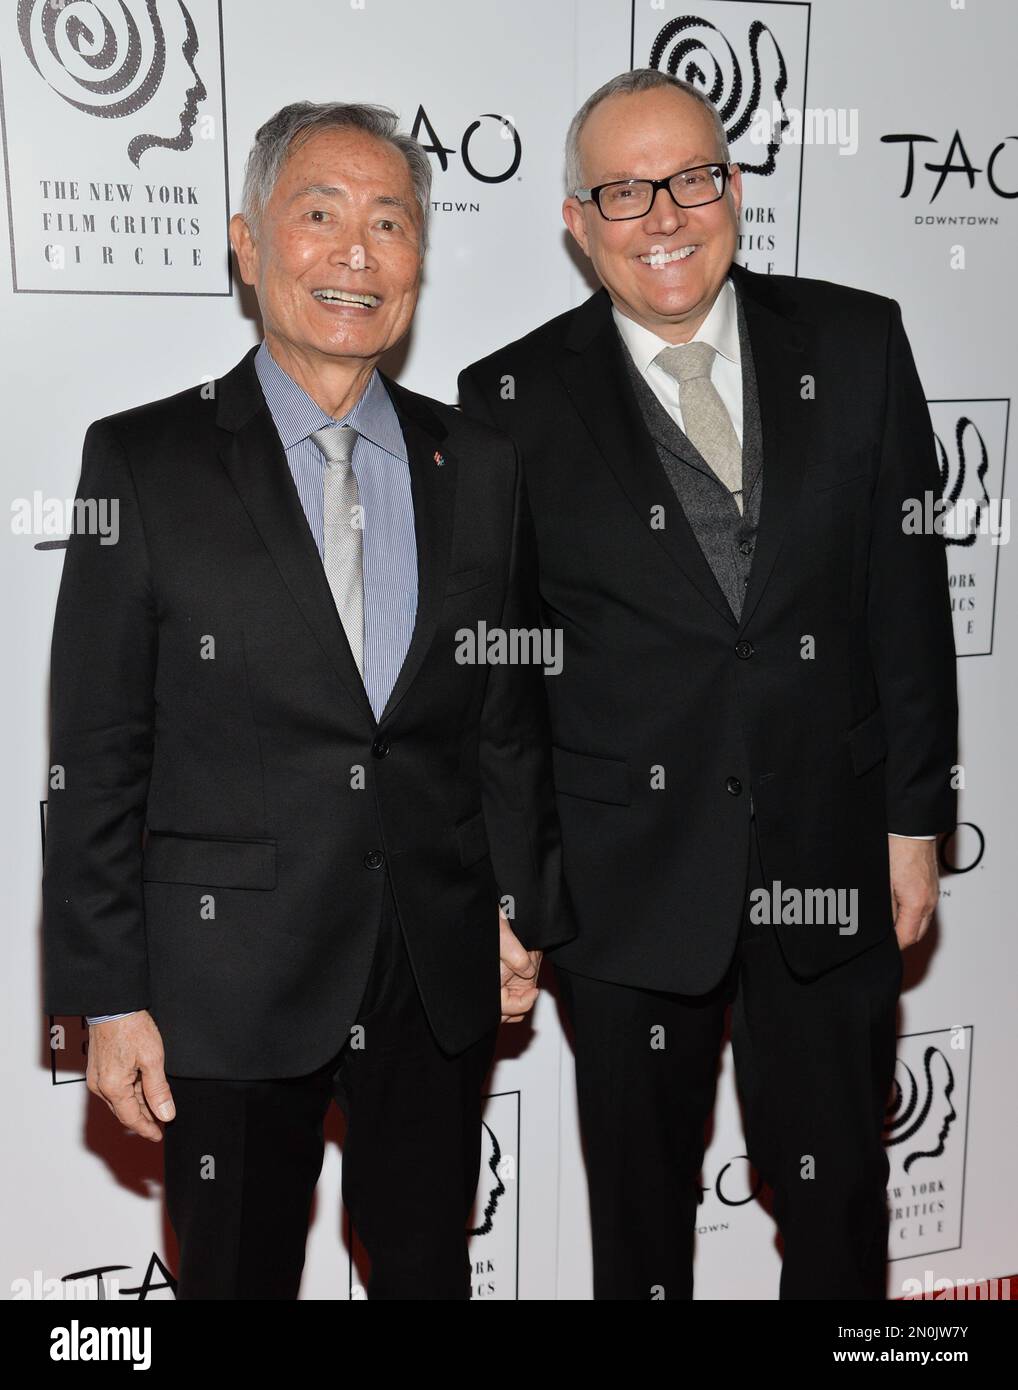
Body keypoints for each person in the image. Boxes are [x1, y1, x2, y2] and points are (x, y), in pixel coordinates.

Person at [42, 100, 572, 1301]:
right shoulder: (143, 461)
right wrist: (107, 994)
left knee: (427, 1270)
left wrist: (518, 901)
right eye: (319, 215)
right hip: (226, 977)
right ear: (247, 242)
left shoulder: (479, 465)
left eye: (389, 222)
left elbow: (502, 714)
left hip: (430, 963)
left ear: (418, 259)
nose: (355, 253)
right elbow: (97, 751)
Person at [458, 69, 957, 1300]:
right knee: (640, 1231)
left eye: (690, 178)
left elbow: (905, 601)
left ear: (733, 188)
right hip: (622, 889)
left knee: (839, 1209)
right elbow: (502, 681)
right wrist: (517, 886)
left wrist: (912, 823)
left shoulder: (855, 342)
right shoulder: (506, 402)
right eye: (624, 193)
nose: (664, 216)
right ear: (577, 223)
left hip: (830, 854)